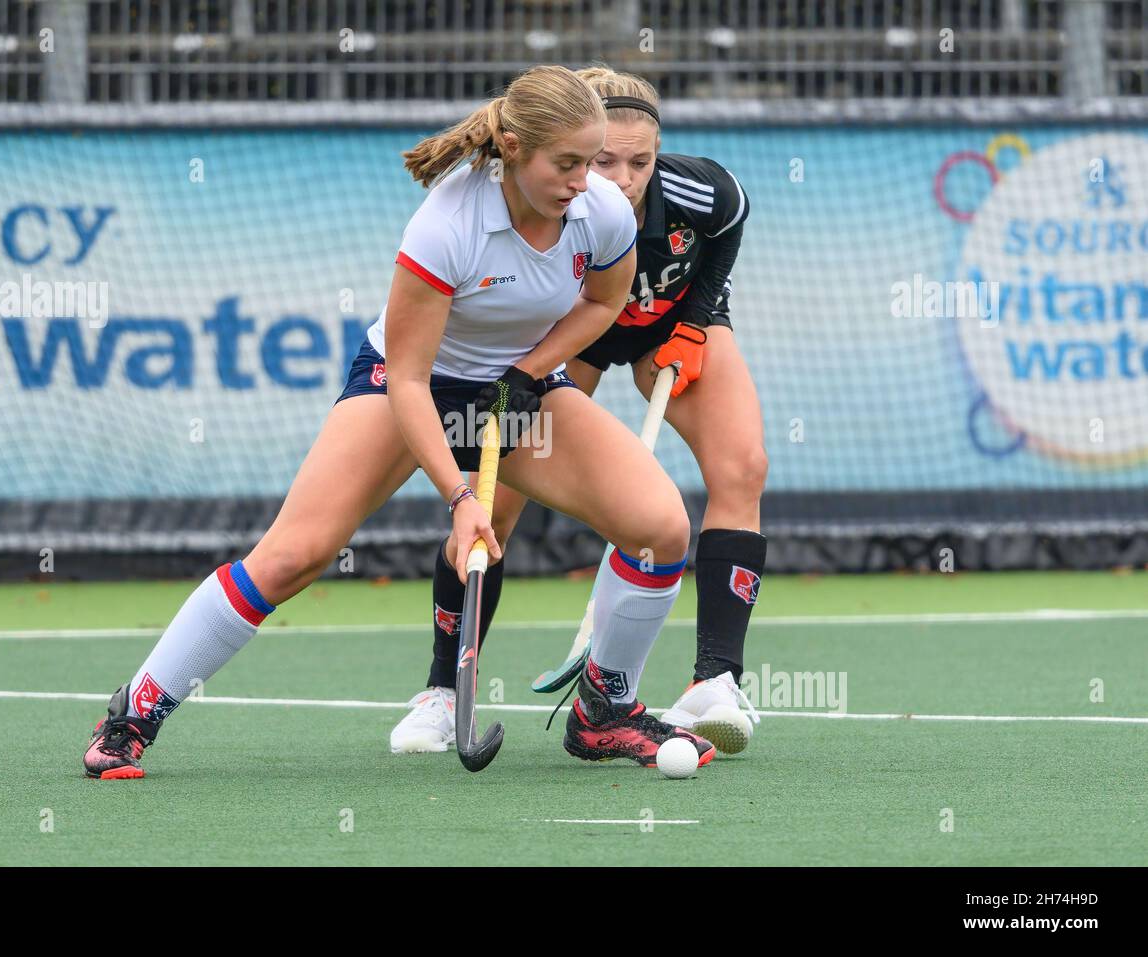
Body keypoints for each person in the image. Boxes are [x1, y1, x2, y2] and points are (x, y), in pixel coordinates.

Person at [84, 65, 715, 779]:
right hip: (407, 385)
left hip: (515, 387)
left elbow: (604, 304)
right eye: (566, 163)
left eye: (590, 161)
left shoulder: (598, 210)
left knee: (661, 526)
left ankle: (605, 710)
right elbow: (412, 380)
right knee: (295, 554)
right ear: (512, 147)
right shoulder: (448, 225)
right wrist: (460, 499)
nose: (586, 180)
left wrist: (527, 370)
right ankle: (134, 712)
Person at [391, 67, 767, 758]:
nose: (621, 179)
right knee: (494, 504)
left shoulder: (699, 190)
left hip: (669, 328)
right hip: (574, 337)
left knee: (742, 466)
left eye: (640, 162)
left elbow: (732, 222)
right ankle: (444, 687)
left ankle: (715, 678)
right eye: (602, 161)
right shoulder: (560, 200)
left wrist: (702, 315)